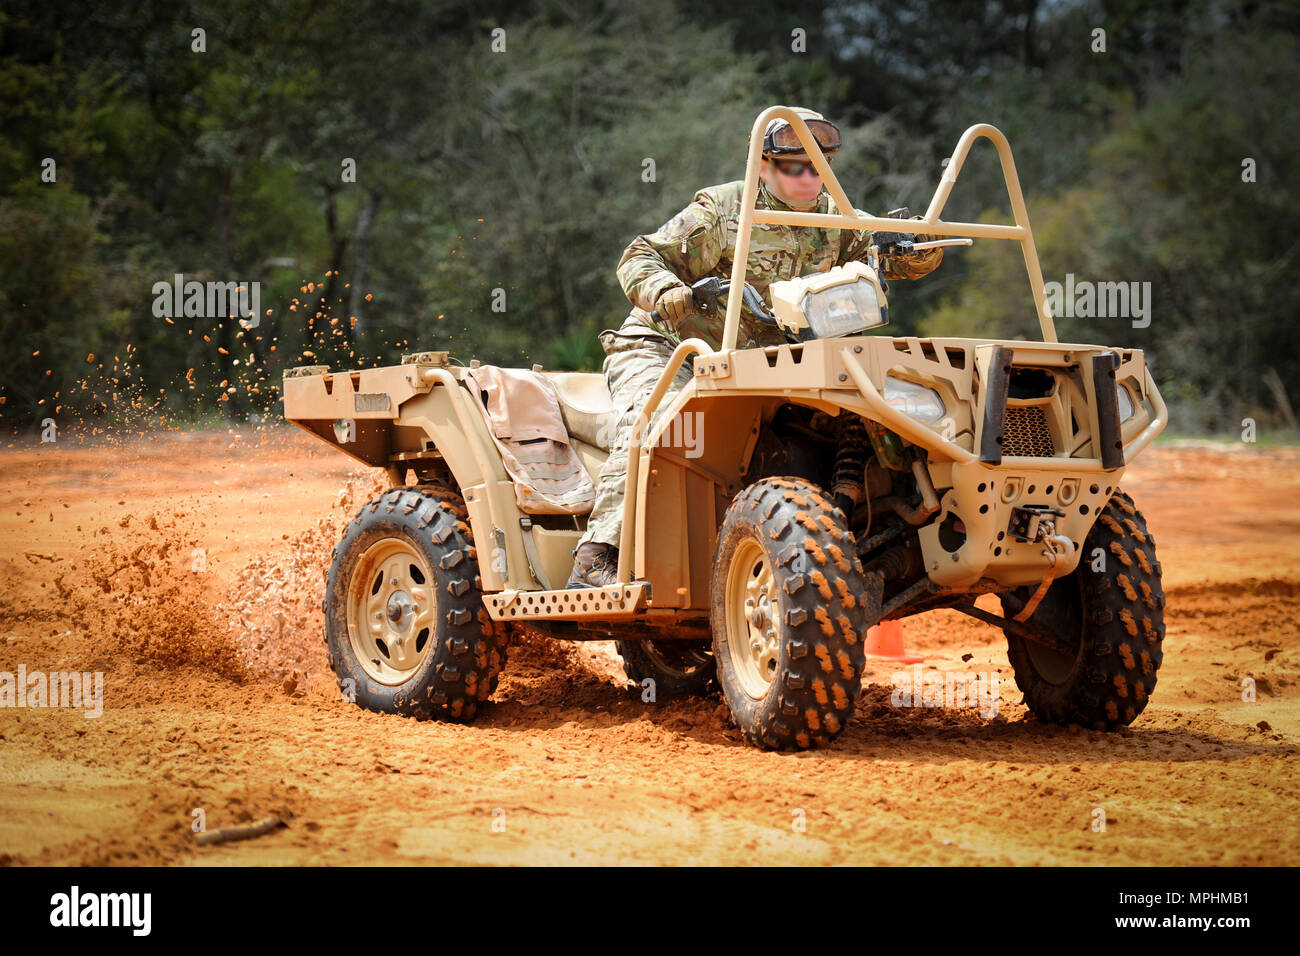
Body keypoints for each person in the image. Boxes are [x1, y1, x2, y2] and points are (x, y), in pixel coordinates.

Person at [566, 108, 945, 589]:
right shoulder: (724, 211)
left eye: (822, 165)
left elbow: (903, 261)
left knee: (878, 414)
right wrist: (668, 293)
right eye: (796, 166)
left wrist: (918, 244)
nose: (811, 177)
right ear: (764, 165)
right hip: (674, 347)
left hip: (766, 364)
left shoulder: (840, 217)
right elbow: (640, 256)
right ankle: (597, 552)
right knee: (660, 421)